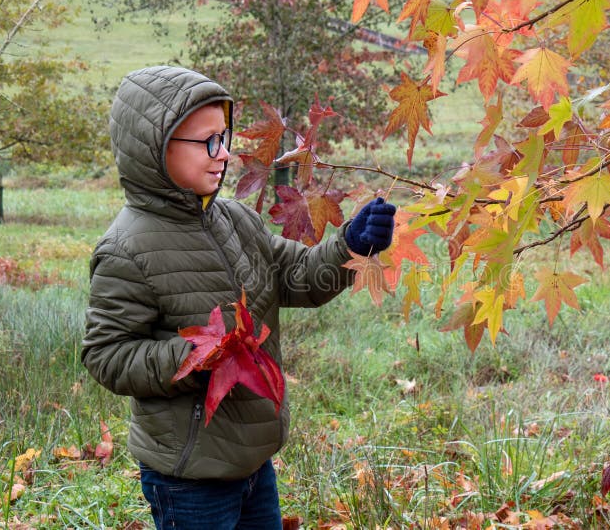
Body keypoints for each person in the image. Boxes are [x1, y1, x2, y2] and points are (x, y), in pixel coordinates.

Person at [81, 66, 396, 529]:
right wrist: (197, 355)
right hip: (188, 473)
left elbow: (301, 277)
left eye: (224, 137)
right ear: (156, 147)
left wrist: (351, 244)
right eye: (207, 141)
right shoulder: (127, 249)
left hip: (253, 461)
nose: (224, 153)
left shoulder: (235, 221)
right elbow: (106, 355)